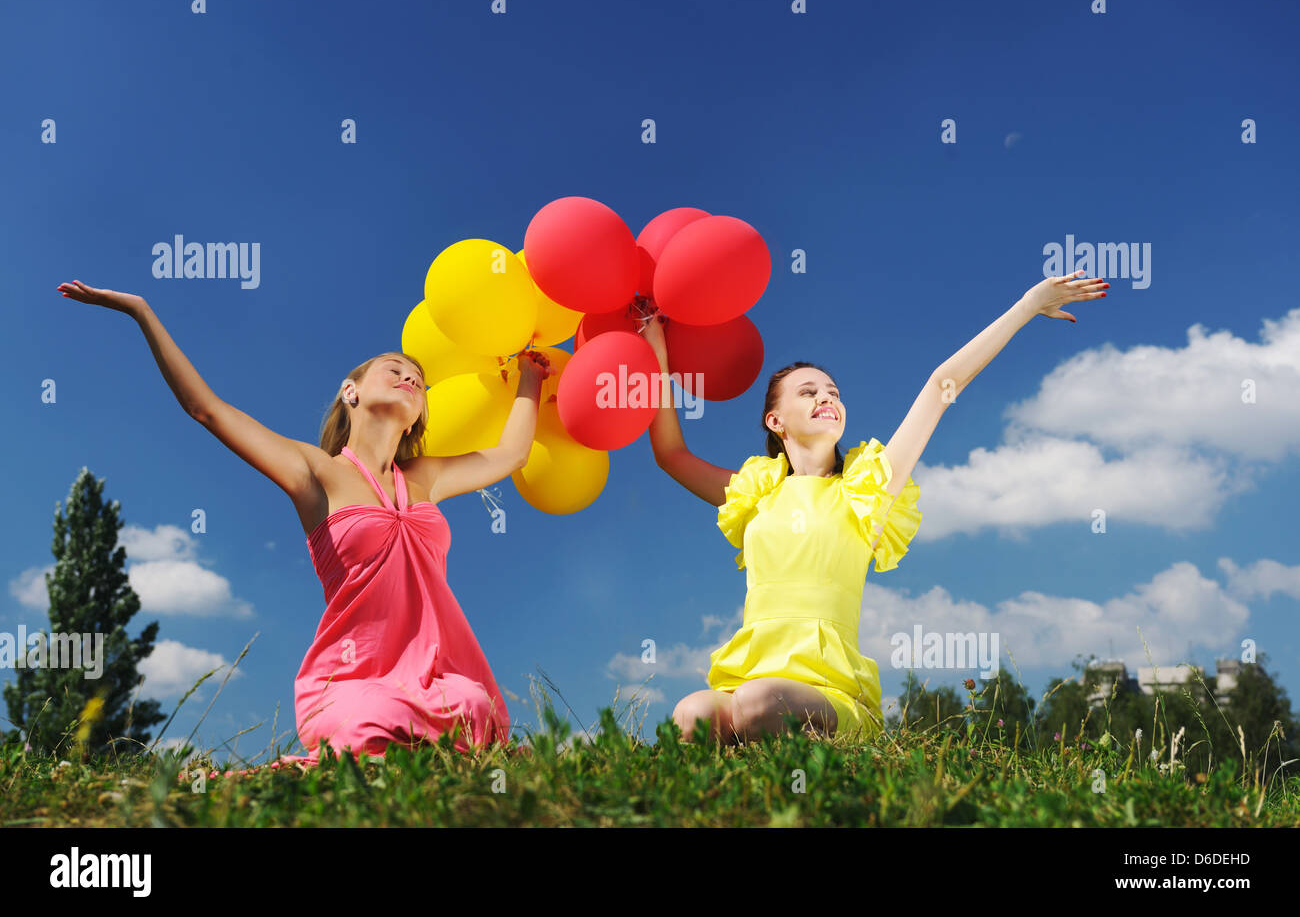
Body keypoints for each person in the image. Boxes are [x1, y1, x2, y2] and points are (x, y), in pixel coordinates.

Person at [55, 280, 551, 765]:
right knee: (373, 715)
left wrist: (530, 374)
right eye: (395, 369)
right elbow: (206, 409)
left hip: (435, 681)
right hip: (353, 682)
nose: (410, 378)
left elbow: (510, 454)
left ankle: (403, 755)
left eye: (418, 382)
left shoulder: (426, 477)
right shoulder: (316, 473)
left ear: (418, 414)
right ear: (349, 391)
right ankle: (388, 750)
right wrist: (141, 310)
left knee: (475, 704)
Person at [640, 270, 1107, 745]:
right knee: (691, 713)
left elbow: (941, 385)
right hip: (749, 677)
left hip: (827, 691)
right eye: (809, 392)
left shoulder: (867, 491)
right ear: (775, 420)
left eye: (833, 393)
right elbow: (671, 455)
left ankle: (816, 767)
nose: (827, 397)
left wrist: (1026, 306)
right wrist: (655, 348)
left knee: (760, 705)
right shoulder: (756, 492)